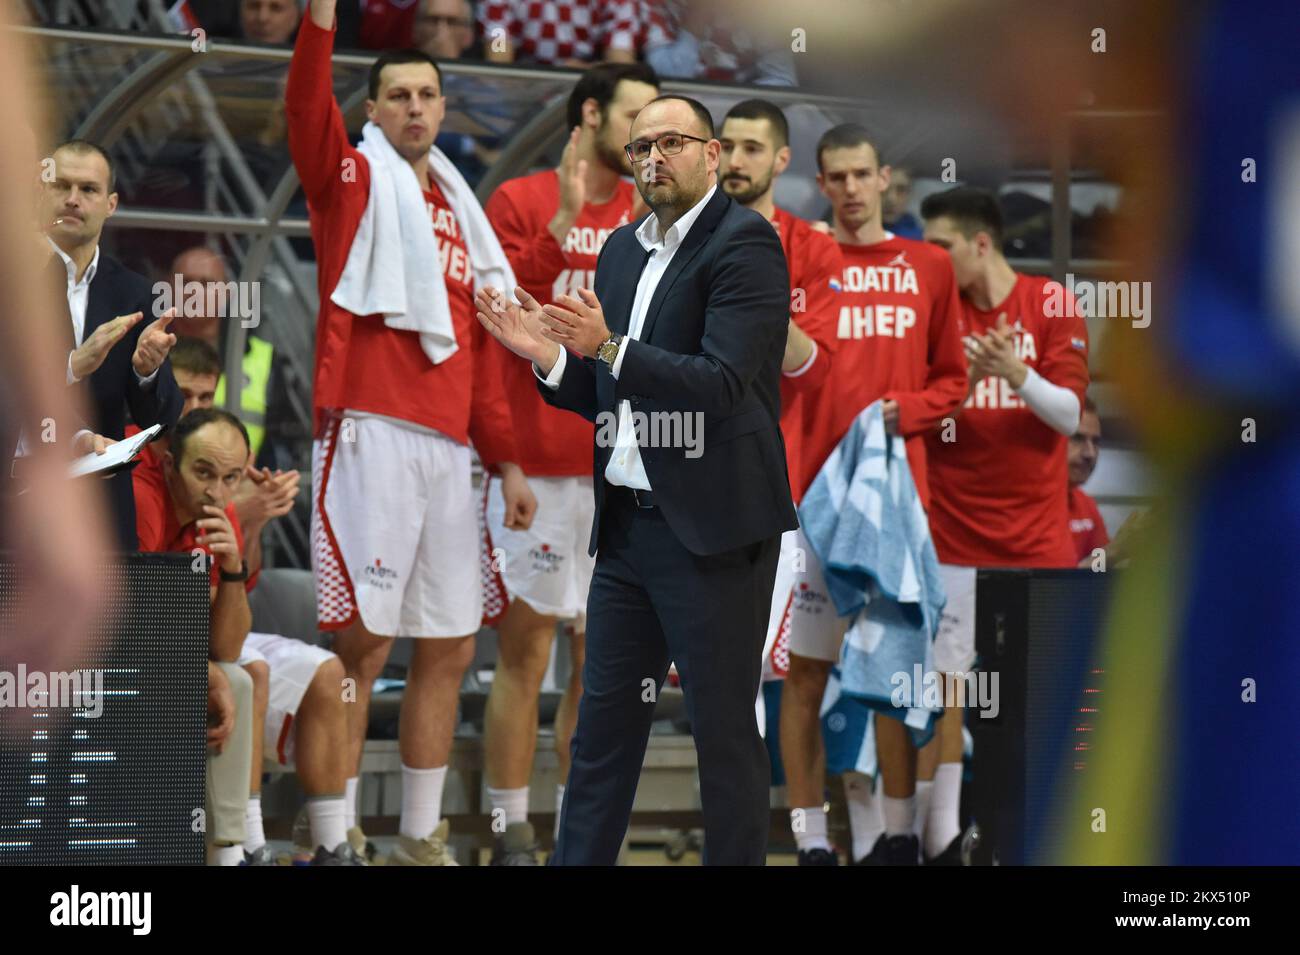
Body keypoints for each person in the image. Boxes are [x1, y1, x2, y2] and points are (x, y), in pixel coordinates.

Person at [477, 93, 796, 865]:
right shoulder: (620, 250)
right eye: (641, 147)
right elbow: (609, 391)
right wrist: (547, 358)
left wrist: (609, 345)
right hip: (625, 531)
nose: (654, 159)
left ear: (713, 154)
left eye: (673, 143)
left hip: (716, 532)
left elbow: (720, 381)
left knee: (724, 737)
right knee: (601, 738)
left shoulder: (747, 244)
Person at [290, 0, 535, 866]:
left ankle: (420, 836)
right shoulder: (352, 179)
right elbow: (304, 112)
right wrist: (320, 23)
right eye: (397, 96)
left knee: (453, 642)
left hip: (451, 448)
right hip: (369, 430)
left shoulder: (462, 209)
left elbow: (475, 346)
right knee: (364, 638)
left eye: (428, 95)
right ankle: (333, 834)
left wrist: (503, 458)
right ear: (372, 110)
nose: (416, 109)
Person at [481, 61, 659, 864]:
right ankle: (507, 824)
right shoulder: (517, 199)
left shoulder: (648, 213)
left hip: (616, 462)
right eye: (634, 117)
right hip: (539, 460)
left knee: (603, 664)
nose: (647, 137)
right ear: (591, 114)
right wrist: (506, 459)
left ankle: (581, 834)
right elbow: (499, 315)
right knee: (525, 653)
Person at [777, 124, 967, 866]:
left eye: (863, 175)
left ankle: (897, 836)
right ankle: (811, 840)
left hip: (896, 507)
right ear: (821, 185)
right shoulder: (798, 258)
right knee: (805, 673)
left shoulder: (930, 267)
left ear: (885, 178)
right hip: (811, 498)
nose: (852, 190)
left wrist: (904, 411)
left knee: (896, 677)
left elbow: (953, 381)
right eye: (838, 178)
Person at [920, 185, 1090, 863]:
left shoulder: (1049, 303)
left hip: (1037, 542)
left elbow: (1072, 417)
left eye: (941, 248)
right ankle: (941, 840)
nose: (929, 262)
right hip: (951, 540)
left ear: (980, 243)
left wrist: (1016, 372)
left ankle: (1042, 836)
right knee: (946, 696)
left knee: (1039, 701)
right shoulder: (934, 308)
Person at [134, 408, 359, 864]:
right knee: (239, 678)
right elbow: (129, 626)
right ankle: (238, 851)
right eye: (203, 473)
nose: (216, 491)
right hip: (99, 658)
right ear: (169, 463)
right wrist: (201, 668)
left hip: (167, 652)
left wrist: (233, 568)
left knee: (239, 672)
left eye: (230, 477)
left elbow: (226, 646)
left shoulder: (219, 515)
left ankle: (310, 848)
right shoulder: (145, 502)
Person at [715, 99, 842, 703]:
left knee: (751, 667)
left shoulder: (812, 251)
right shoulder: (676, 234)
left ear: (782, 159)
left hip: (769, 480)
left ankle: (744, 802)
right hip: (677, 472)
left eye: (753, 149)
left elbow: (811, 369)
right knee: (692, 664)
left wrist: (759, 281)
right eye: (728, 146)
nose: (736, 161)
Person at [42, 139, 183, 551]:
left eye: (88, 189)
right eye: (60, 186)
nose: (72, 200)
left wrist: (146, 372)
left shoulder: (134, 292)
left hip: (100, 514)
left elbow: (163, 419)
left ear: (111, 203)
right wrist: (71, 364)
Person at [167, 247, 285, 460]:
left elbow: (283, 441)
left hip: (243, 484)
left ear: (227, 293)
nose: (195, 292)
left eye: (207, 284)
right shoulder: (146, 352)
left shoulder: (263, 358)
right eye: (185, 282)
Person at [479, 0, 639, 66]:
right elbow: (498, 54)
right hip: (524, 86)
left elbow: (621, 65)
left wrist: (585, 72)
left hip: (589, 85)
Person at [1068, 394, 1109, 564]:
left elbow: (1098, 571)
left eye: (1096, 441)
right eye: (1077, 438)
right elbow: (1047, 584)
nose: (1090, 453)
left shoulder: (1085, 504)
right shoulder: (1023, 508)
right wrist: (1116, 551)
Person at [881, 165, 922, 240]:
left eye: (901, 190)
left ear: (910, 194)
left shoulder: (920, 238)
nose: (891, 199)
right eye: (884, 188)